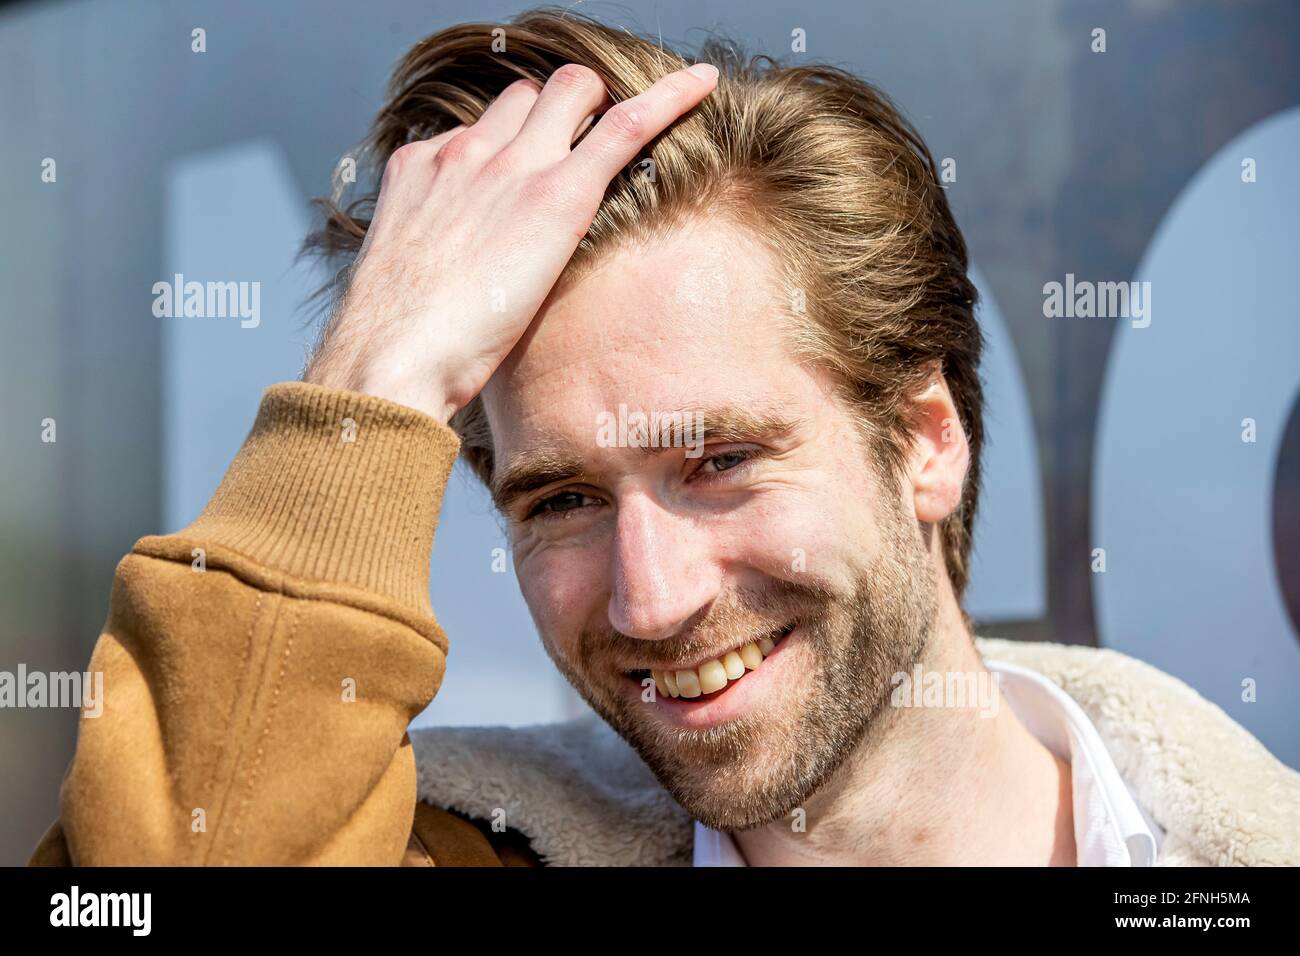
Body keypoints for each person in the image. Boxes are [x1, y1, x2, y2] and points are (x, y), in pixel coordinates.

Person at [31, 8, 1299, 867]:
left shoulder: (1226, 849)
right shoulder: (452, 847)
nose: (649, 597)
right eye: (561, 499)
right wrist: (379, 372)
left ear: (924, 439)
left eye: (719, 461)